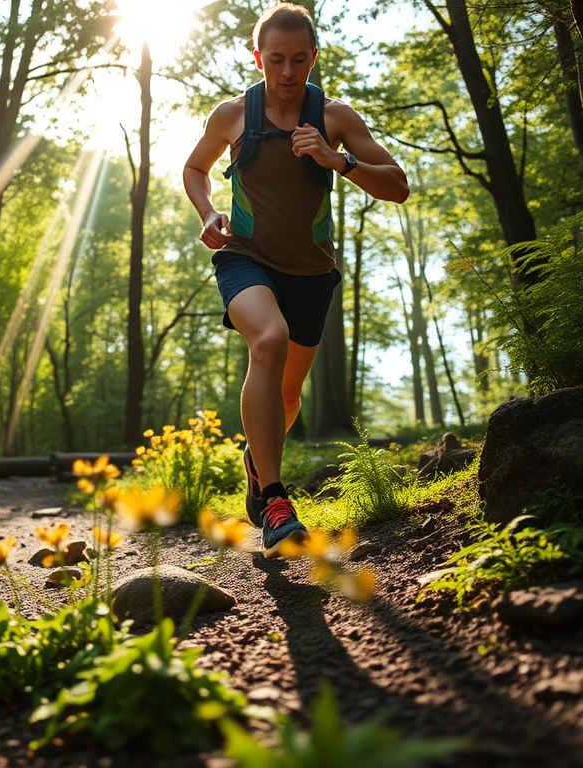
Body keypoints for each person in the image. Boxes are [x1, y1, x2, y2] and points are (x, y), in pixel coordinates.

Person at [182, 2, 408, 558]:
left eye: (299, 59)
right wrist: (207, 213)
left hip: (311, 271)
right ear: (257, 57)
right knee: (269, 339)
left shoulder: (335, 117)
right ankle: (276, 503)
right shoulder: (232, 115)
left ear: (313, 57)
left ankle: (257, 465)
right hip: (245, 257)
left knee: (287, 397)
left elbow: (397, 185)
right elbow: (195, 168)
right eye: (276, 59)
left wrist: (338, 160)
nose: (287, 71)